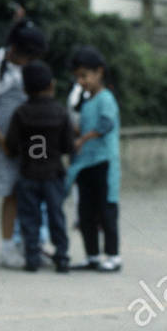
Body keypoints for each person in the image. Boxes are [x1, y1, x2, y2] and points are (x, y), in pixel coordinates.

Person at [0, 18, 48, 268]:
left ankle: (30, 243)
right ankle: (8, 248)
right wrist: (2, 141)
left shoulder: (25, 69)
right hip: (6, 142)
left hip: (28, 141)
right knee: (11, 193)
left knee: (29, 192)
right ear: (17, 51)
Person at [5, 61, 72, 273]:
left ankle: (32, 258)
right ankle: (61, 257)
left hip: (28, 174)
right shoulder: (61, 113)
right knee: (56, 215)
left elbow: (11, 146)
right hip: (53, 174)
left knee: (29, 217)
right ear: (51, 85)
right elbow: (68, 146)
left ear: (25, 89)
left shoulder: (20, 113)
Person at [68, 47, 122, 272]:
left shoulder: (106, 98)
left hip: (104, 163)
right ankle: (92, 255)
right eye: (78, 77)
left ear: (99, 72)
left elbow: (105, 124)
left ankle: (112, 255)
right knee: (85, 212)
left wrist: (83, 139)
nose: (81, 81)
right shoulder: (87, 101)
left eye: (84, 76)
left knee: (106, 211)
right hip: (85, 164)